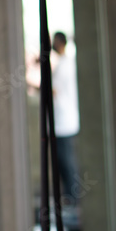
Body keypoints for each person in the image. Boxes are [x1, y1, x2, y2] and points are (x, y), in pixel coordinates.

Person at [51, 31, 80, 205]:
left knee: (66, 164)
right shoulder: (67, 64)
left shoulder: (64, 65)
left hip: (64, 123)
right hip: (65, 121)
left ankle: (72, 200)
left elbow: (53, 90)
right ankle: (71, 199)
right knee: (65, 163)